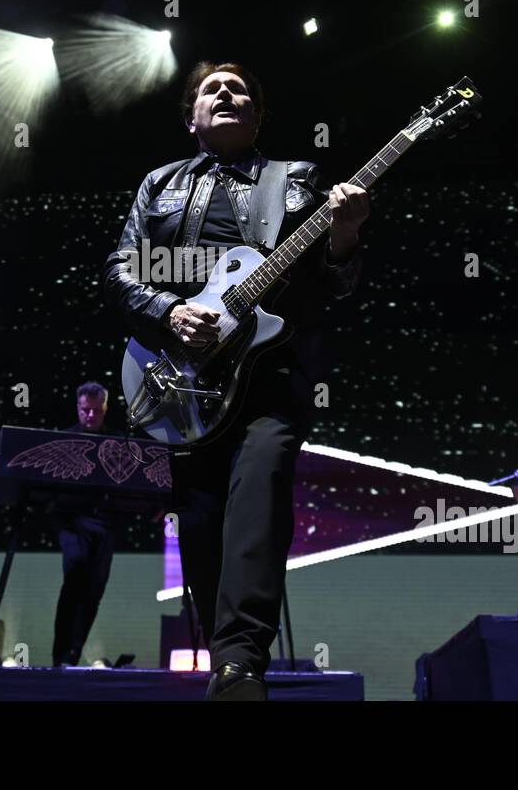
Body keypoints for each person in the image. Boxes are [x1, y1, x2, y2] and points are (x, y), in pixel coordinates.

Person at [102, 61, 369, 699]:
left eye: (239, 88)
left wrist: (348, 233)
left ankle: (241, 663)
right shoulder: (158, 184)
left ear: (258, 116)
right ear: (190, 116)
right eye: (209, 89)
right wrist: (168, 310)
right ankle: (221, 654)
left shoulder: (296, 179)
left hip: (270, 373)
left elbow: (334, 282)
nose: (225, 93)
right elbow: (117, 271)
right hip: (181, 378)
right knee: (199, 518)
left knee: (261, 482)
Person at [51, 381, 115, 666]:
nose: (90, 416)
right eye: (85, 410)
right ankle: (60, 653)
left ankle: (73, 654)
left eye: (95, 411)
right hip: (72, 523)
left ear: (105, 409)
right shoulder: (63, 441)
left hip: (103, 526)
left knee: (94, 592)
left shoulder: (115, 445)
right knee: (75, 574)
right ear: (78, 408)